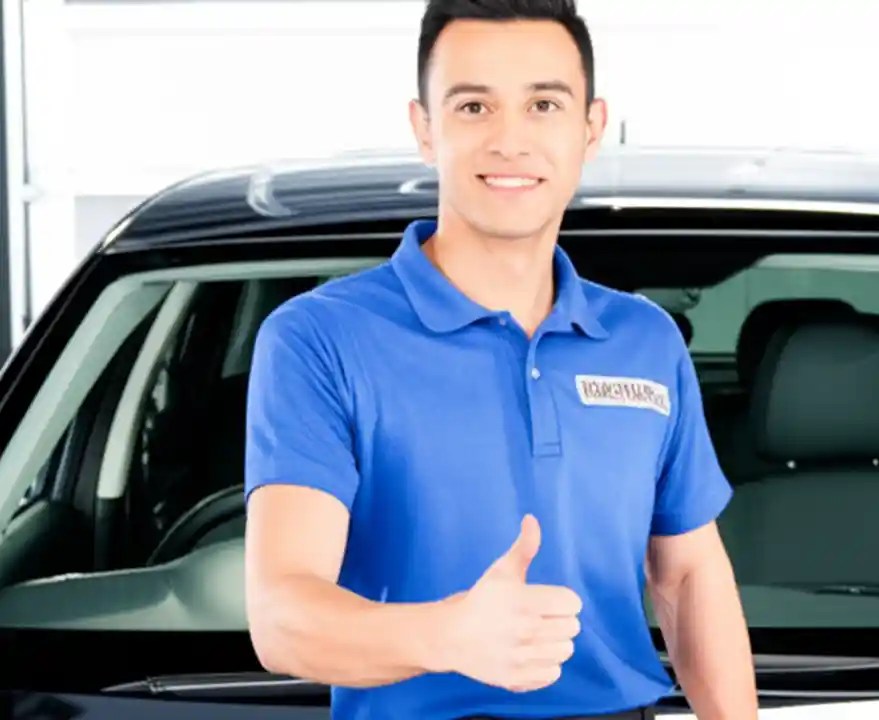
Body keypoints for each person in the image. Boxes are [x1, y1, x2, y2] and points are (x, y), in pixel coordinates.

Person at [241, 1, 758, 718]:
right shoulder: (320, 339)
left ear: (591, 128)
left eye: (543, 104)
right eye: (474, 106)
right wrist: (447, 635)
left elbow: (688, 573)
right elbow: (281, 617)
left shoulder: (646, 341)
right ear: (425, 128)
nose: (510, 141)